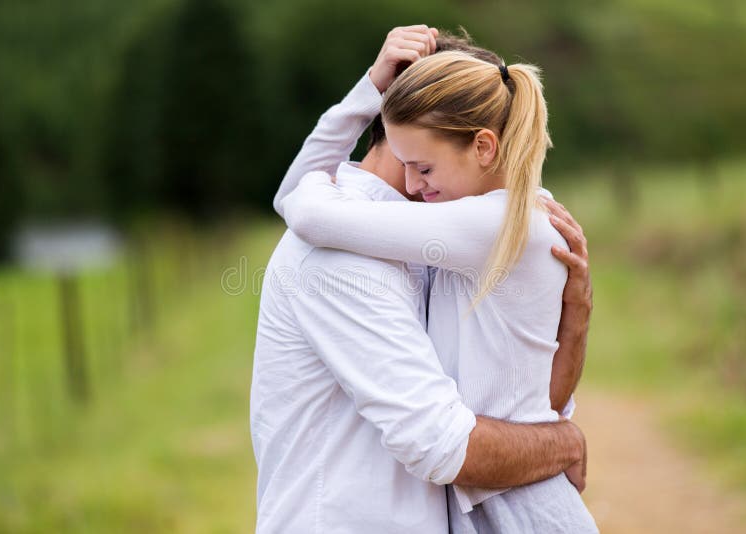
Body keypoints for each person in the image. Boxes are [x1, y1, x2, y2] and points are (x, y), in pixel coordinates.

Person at [252, 26, 592, 533]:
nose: (417, 182)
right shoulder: (345, 251)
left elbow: (524, 398)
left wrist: (575, 319)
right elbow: (444, 443)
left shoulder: (441, 231)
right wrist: (565, 442)